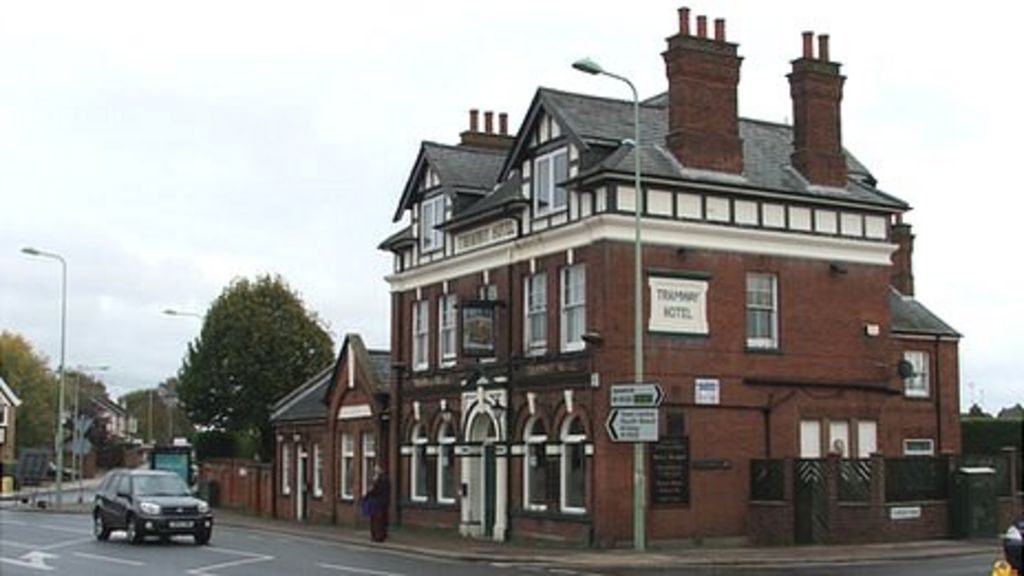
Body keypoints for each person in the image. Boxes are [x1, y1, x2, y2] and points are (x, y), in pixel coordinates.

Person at [362, 465, 390, 542]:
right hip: (382, 502)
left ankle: (377, 536)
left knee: (376, 520)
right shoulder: (384, 479)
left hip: (377, 503)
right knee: (380, 520)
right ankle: (380, 535)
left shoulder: (380, 480)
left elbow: (374, 491)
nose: (375, 472)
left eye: (376, 471)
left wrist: (368, 494)